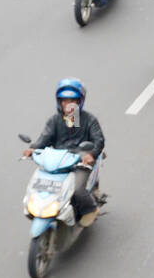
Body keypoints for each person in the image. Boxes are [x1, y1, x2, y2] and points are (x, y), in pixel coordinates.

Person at [22, 79, 105, 227]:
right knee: (39, 185)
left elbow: (98, 140)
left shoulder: (89, 120)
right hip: (58, 162)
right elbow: (44, 138)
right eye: (64, 101)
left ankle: (90, 209)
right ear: (59, 102)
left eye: (72, 100)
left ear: (80, 101)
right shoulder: (54, 121)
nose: (68, 105)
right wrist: (33, 149)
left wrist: (91, 154)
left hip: (80, 162)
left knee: (78, 189)